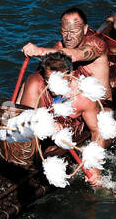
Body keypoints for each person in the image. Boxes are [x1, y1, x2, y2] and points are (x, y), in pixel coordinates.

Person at [20, 53, 107, 182]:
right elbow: (23, 123)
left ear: (70, 75)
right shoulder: (35, 83)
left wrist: (95, 168)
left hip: (70, 134)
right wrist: (46, 124)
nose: (52, 85)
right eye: (48, 79)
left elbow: (98, 131)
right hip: (40, 137)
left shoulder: (84, 97)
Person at [22, 7, 111, 99]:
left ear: (85, 29)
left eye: (73, 32)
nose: (68, 37)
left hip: (101, 103)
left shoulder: (97, 45)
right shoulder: (59, 47)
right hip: (71, 101)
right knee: (33, 80)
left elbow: (74, 55)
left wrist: (39, 51)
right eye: (65, 32)